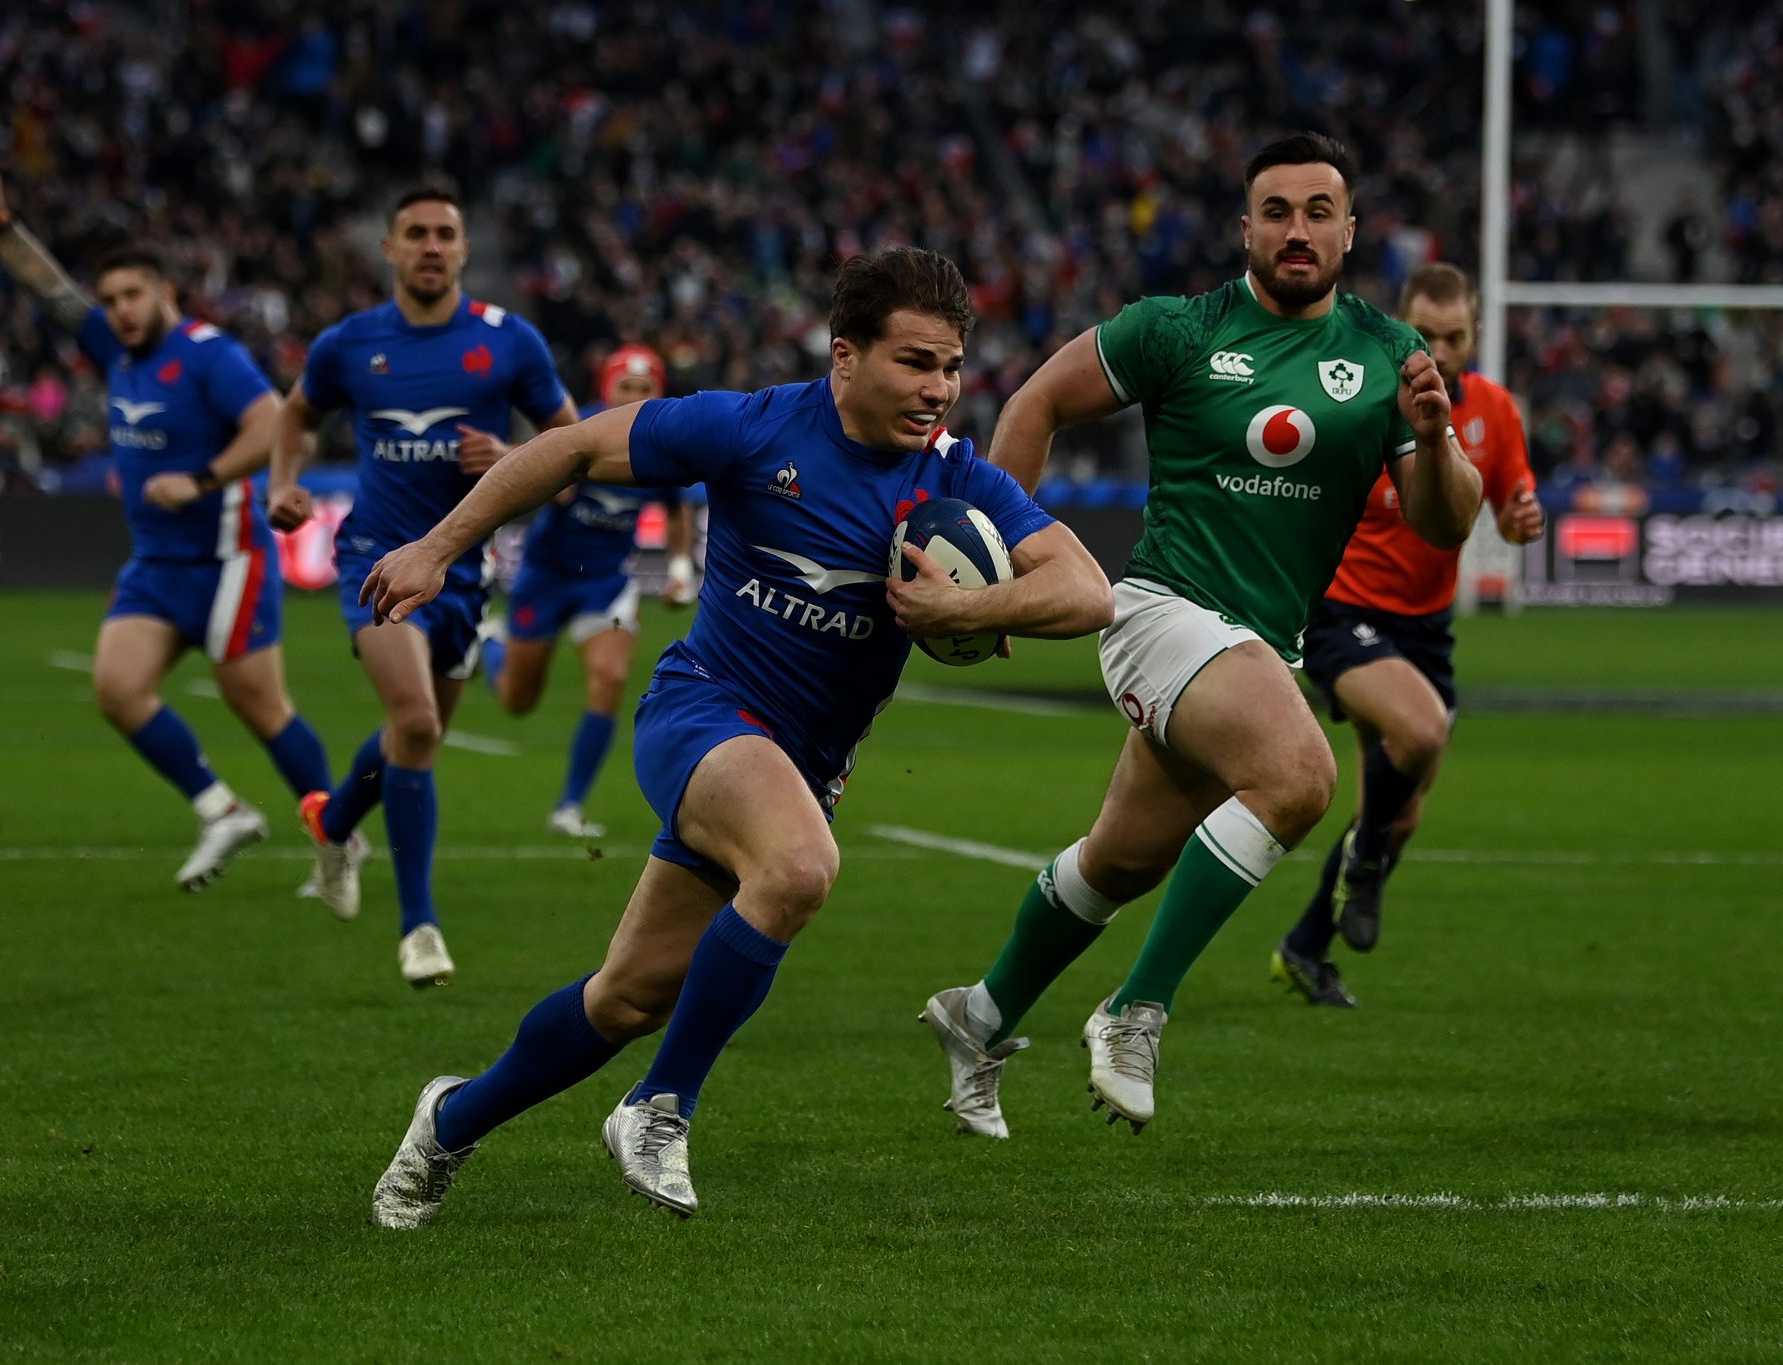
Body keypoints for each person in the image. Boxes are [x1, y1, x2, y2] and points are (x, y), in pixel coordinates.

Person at [358, 248, 1112, 1225]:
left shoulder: (955, 480)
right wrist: (435, 547)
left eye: (952, 367)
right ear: (845, 356)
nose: (939, 390)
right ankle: (660, 1108)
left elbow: (1086, 587)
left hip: (798, 766)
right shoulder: (751, 428)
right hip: (700, 712)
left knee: (625, 1001)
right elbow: (572, 449)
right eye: (914, 362)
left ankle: (447, 1123)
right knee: (799, 869)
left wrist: (974, 605)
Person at [920, 132, 1482, 1140]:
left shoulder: (1388, 355)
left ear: (1350, 234)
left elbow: (1445, 520)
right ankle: (1135, 1011)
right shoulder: (1174, 330)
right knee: (1301, 776)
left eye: (1317, 212)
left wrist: (1435, 438)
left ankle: (979, 1015)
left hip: (1259, 645)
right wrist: (1005, 573)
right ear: (1245, 229)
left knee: (1117, 865)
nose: (1296, 230)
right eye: (1276, 211)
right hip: (1160, 612)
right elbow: (1035, 400)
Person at [0, 153, 333, 891]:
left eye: (133, 294)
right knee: (116, 688)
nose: (121, 308)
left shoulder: (208, 354)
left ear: (165, 292)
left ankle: (336, 835)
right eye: (112, 297)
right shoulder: (112, 345)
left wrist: (200, 479)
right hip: (157, 563)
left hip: (227, 556)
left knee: (258, 704)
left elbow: (273, 424)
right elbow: (46, 284)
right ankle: (221, 808)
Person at [268, 186, 578, 985]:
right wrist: (284, 483)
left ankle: (333, 824)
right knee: (413, 721)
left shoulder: (510, 344)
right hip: (373, 557)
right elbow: (296, 416)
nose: (432, 245)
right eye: (416, 233)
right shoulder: (349, 344)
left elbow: (572, 455)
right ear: (390, 249)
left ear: (466, 249)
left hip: (464, 572)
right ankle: (419, 927)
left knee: (419, 734)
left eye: (446, 232)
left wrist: (512, 457)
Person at [1272, 262, 1545, 1006]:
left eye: (1456, 336)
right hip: (1341, 611)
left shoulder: (1495, 410)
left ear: (1475, 335)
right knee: (1420, 732)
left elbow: (1513, 493)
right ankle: (1357, 868)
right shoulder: (1358, 397)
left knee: (1401, 815)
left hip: (1427, 630)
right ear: (1402, 327)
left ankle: (1303, 947)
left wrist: (1523, 514)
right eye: (1426, 333)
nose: (1442, 349)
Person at [477, 344, 699, 838]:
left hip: (607, 581)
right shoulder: (580, 430)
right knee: (517, 698)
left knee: (610, 676)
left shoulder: (667, 441)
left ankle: (570, 806)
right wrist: (546, 478)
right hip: (548, 575)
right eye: (627, 386)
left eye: (646, 389)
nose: (636, 396)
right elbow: (528, 474)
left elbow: (677, 506)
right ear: (607, 389)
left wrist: (681, 567)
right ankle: (489, 645)